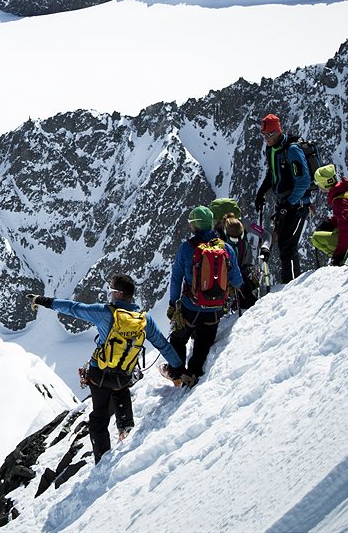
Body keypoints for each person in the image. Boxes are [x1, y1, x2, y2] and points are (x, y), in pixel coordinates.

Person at [27, 273, 182, 464]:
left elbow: (73, 308)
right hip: (124, 376)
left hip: (99, 375)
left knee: (99, 415)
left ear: (117, 294)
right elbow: (163, 346)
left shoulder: (104, 312)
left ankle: (101, 457)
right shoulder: (144, 320)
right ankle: (125, 428)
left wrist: (42, 300)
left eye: (111, 290)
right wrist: (178, 370)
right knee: (120, 390)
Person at [164, 206, 244, 387]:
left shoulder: (186, 248)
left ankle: (176, 372)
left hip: (190, 308)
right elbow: (237, 280)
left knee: (178, 338)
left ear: (194, 226)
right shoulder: (227, 249)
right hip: (215, 310)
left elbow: (176, 278)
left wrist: (172, 304)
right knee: (203, 343)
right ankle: (193, 373)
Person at [253, 113, 313, 282]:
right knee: (282, 243)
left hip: (298, 204)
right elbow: (272, 173)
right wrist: (261, 192)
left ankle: (292, 285)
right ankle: (289, 282)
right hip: (285, 203)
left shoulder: (292, 150)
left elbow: (303, 180)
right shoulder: (271, 149)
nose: (266, 139)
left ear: (278, 131)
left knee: (287, 245)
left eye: (269, 135)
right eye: (263, 135)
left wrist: (289, 204)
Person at [210, 198, 257, 311]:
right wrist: (265, 248)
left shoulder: (215, 233)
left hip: (226, 276)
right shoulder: (245, 223)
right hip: (244, 272)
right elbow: (265, 235)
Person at [310, 164, 348, 266]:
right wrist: (331, 222)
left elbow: (347, 229)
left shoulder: (339, 201)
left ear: (323, 184)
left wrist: (339, 254)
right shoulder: (346, 189)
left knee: (315, 238)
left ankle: (344, 258)